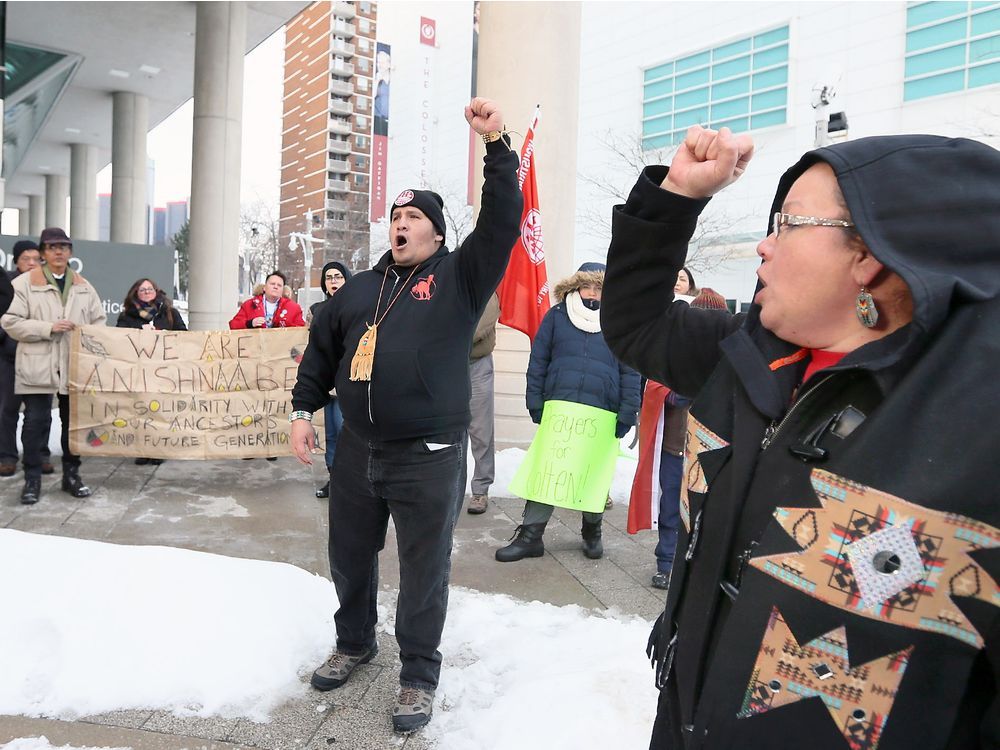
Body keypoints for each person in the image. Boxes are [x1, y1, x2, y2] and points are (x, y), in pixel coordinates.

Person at [602, 126, 1000, 749]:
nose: (763, 245)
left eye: (787, 224)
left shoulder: (978, 421)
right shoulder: (748, 353)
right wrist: (677, 194)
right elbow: (635, 322)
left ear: (870, 254)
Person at [289, 97, 520, 734]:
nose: (401, 223)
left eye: (414, 217)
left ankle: (418, 673)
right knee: (348, 555)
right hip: (358, 450)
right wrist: (304, 409)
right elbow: (321, 352)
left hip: (429, 455)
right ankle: (355, 642)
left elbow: (502, 220)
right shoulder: (359, 289)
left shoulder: (460, 277)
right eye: (395, 216)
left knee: (423, 567)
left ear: (436, 235)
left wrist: (496, 146)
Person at [496, 262, 640, 562]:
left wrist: (628, 411)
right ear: (575, 287)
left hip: (602, 413)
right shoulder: (557, 317)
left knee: (593, 475)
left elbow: (630, 370)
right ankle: (531, 536)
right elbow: (539, 360)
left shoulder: (621, 322)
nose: (592, 293)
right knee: (547, 473)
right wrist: (535, 400)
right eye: (586, 286)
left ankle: (592, 533)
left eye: (599, 288)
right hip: (560, 410)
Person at [627, 288, 729, 590]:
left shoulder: (733, 356)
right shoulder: (673, 353)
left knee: (709, 512)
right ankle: (667, 563)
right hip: (675, 448)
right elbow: (658, 391)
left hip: (714, 454)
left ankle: (700, 569)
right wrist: (692, 387)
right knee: (671, 507)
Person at [2, 228, 106, 504]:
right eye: (52, 247)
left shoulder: (83, 285)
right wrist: (48, 327)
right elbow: (10, 321)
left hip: (73, 364)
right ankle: (32, 479)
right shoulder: (24, 284)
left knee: (73, 424)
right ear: (43, 253)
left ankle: (71, 475)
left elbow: (99, 322)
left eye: (64, 246)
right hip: (37, 364)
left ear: (70, 252)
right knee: (35, 422)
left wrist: (87, 340)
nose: (59, 251)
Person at [116, 277, 187, 466]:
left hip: (164, 370)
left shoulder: (169, 312)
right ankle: (143, 449)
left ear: (156, 292)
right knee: (140, 409)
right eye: (142, 290)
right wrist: (140, 333)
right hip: (139, 369)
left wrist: (163, 335)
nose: (147, 292)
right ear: (135, 294)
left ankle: (158, 448)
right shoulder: (127, 316)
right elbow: (119, 338)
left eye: (150, 289)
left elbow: (184, 334)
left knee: (160, 410)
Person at [0, 241, 54, 478]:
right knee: (7, 410)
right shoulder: (6, 284)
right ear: (16, 261)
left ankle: (41, 455)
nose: (31, 263)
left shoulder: (48, 284)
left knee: (41, 412)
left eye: (36, 259)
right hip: (10, 358)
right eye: (26, 258)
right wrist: (6, 337)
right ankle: (7, 457)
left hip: (41, 358)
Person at [309, 261, 351, 498]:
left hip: (347, 383)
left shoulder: (356, 307)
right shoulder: (318, 311)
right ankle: (334, 479)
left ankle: (347, 482)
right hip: (328, 383)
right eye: (329, 277)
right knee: (331, 435)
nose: (333, 281)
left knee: (345, 433)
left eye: (338, 276)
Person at [466, 292, 499, 514]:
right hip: (446, 362)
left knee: (481, 430)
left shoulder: (487, 288)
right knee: (447, 430)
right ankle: (450, 486)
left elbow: (484, 324)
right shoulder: (446, 283)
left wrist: (450, 338)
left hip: (477, 364)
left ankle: (480, 490)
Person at [229, 271, 305, 330]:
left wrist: (285, 325)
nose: (275, 287)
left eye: (279, 285)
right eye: (272, 284)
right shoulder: (249, 305)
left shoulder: (293, 308)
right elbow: (233, 325)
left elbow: (301, 329)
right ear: (264, 287)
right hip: (255, 344)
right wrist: (250, 323)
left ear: (282, 290)